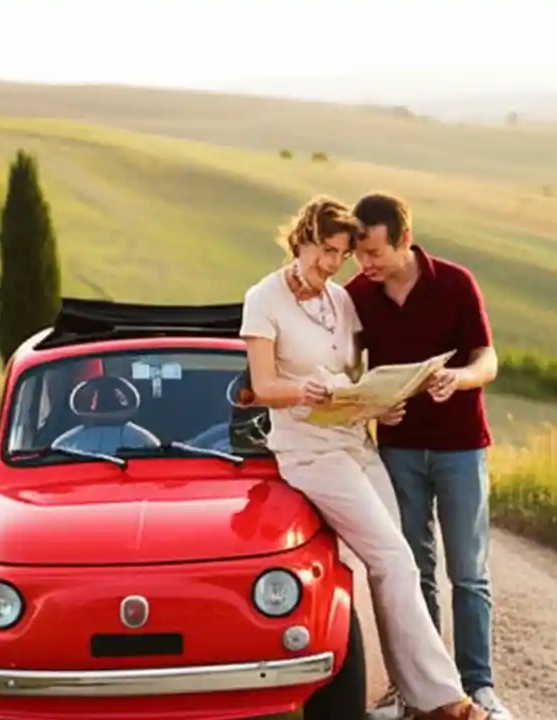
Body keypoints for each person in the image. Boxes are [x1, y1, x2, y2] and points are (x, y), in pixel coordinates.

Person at [238, 195, 488, 720]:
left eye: (341, 255)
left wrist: (379, 401)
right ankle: (444, 700)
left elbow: (356, 375)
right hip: (308, 453)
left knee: (392, 564)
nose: (330, 264)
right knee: (396, 560)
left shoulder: (342, 300)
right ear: (301, 238)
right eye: (324, 250)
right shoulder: (263, 298)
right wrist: (303, 392)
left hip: (355, 442)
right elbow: (261, 386)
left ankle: (404, 694)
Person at [345, 192, 513, 720]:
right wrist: (372, 403)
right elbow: (350, 373)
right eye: (358, 254)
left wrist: (459, 379)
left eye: (373, 253)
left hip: (461, 447)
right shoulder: (358, 294)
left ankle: (478, 686)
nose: (365, 264)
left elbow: (487, 359)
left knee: (469, 573)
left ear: (404, 241)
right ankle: (419, 689)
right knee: (410, 571)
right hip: (397, 448)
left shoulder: (457, 283)